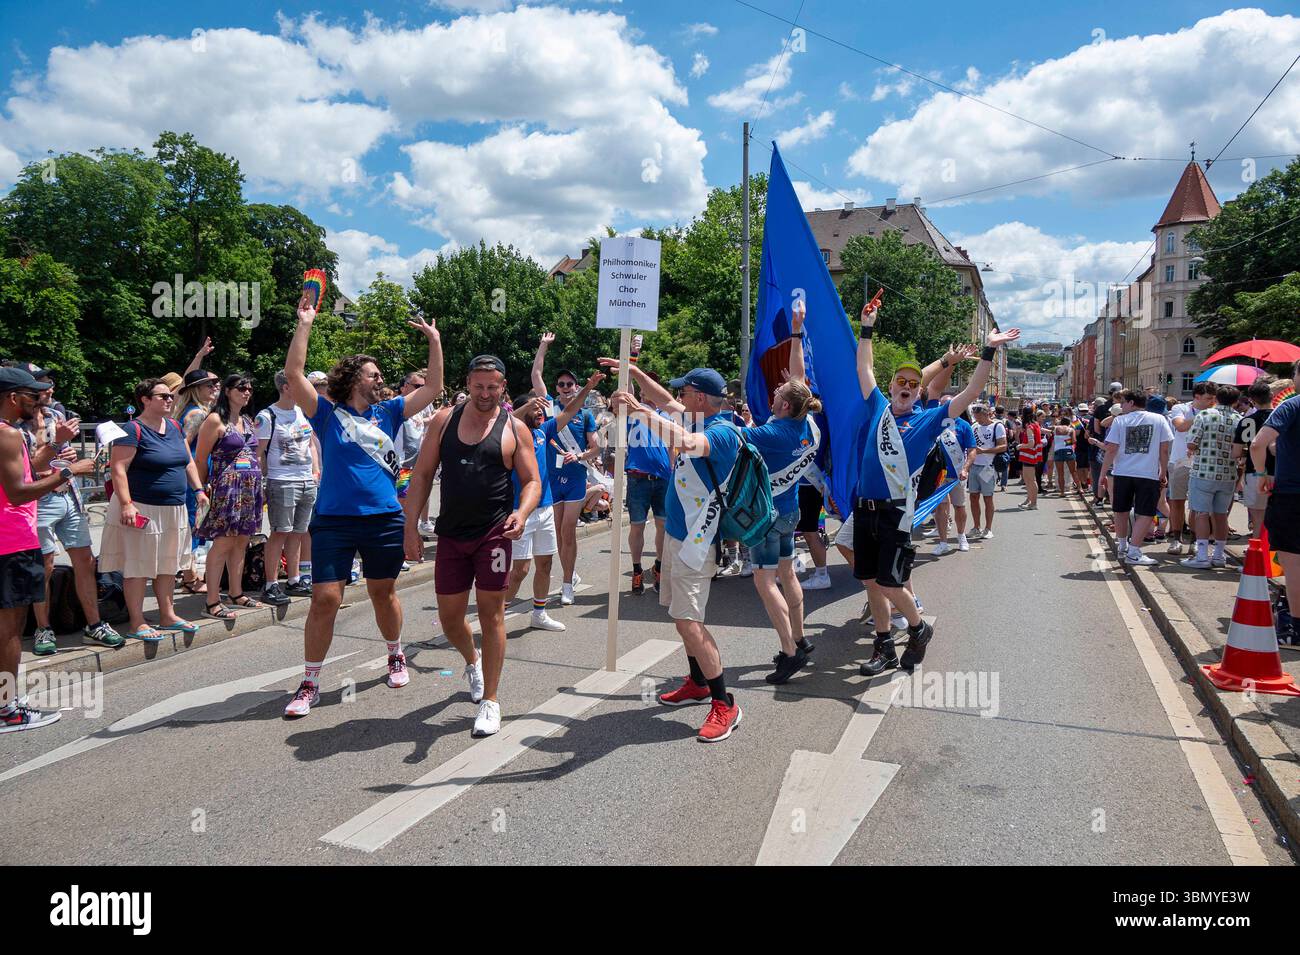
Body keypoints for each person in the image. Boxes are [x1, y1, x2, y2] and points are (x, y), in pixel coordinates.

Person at [281, 293, 444, 718]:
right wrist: (305, 323)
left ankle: (395, 653)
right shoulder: (325, 412)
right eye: (374, 375)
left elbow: (434, 388)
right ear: (356, 379)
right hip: (333, 521)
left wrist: (434, 340)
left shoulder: (389, 412)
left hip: (384, 520)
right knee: (324, 599)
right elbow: (293, 373)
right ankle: (310, 682)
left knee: (381, 591)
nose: (381, 380)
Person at [854, 295, 1019, 677]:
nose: (907, 386)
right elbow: (864, 365)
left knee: (891, 583)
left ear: (918, 391)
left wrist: (987, 352)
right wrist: (867, 327)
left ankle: (918, 628)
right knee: (870, 582)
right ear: (892, 386)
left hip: (894, 511)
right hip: (864, 508)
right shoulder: (877, 407)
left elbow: (971, 393)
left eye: (914, 383)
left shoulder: (928, 419)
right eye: (901, 381)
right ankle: (884, 648)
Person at [604, 365, 744, 742]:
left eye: (685, 392)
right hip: (679, 540)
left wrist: (638, 411)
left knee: (689, 623)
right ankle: (697, 682)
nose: (677, 397)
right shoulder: (698, 417)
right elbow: (665, 403)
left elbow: (685, 441)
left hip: (697, 544)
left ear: (699, 397)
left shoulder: (722, 432)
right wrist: (632, 370)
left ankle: (724, 703)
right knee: (680, 616)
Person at [404, 354, 539, 737]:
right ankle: (471, 660)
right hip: (451, 534)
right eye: (478, 386)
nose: (485, 393)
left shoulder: (515, 428)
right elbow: (424, 474)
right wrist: (410, 527)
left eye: (492, 386)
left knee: (491, 614)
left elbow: (532, 481)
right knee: (450, 619)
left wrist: (523, 512)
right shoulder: (444, 421)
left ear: (503, 386)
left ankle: (491, 701)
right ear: (468, 384)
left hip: (494, 534)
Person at [1, 367, 98, 732]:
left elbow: (29, 469)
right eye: (32, 394)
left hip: (11, 539)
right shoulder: (8, 434)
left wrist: (56, 445)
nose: (40, 399)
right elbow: (19, 492)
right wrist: (71, 472)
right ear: (13, 398)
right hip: (10, 540)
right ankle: (6, 708)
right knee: (10, 628)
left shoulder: (13, 435)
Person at [99, 379, 210, 640]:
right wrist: (126, 504)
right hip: (142, 507)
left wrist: (199, 490)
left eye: (170, 396)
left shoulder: (174, 426)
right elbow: (118, 469)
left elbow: (188, 462)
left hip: (173, 507)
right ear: (145, 400)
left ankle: (167, 615)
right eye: (162, 396)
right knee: (138, 566)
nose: (169, 400)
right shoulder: (132, 429)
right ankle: (137, 621)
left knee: (168, 564)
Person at [21, 374, 123, 652]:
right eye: (41, 387)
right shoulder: (15, 424)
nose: (49, 390)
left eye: (50, 385)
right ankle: (43, 629)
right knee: (45, 565)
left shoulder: (55, 414)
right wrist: (56, 446)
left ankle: (95, 624)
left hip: (69, 495)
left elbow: (61, 455)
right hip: (39, 499)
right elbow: (25, 469)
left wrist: (68, 457)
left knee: (86, 560)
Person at [504, 374, 603, 631]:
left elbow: (570, 410)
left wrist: (588, 387)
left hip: (545, 507)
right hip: (520, 510)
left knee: (544, 564)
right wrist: (530, 404)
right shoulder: (511, 433)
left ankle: (539, 613)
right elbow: (509, 418)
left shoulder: (544, 430)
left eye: (541, 411)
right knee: (520, 571)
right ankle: (497, 610)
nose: (541, 414)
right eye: (536, 411)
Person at [530, 333, 601, 606]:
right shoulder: (547, 406)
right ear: (556, 387)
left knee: (568, 529)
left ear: (576, 386)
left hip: (574, 477)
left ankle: (567, 582)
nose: (565, 387)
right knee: (558, 531)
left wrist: (579, 454)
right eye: (561, 384)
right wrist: (543, 346)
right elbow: (536, 372)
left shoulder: (585, 414)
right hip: (551, 478)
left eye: (570, 383)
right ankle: (570, 573)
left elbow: (596, 449)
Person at [194, 374, 266, 617]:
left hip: (249, 488)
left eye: (249, 388)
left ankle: (236, 593)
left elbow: (256, 456)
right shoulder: (215, 420)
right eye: (241, 388)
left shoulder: (246, 420)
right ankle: (212, 601)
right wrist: (202, 487)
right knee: (223, 542)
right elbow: (201, 458)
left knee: (242, 541)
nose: (246, 392)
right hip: (227, 489)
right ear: (227, 391)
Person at [255, 370, 320, 604]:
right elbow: (258, 452)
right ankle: (271, 584)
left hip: (306, 480)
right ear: (286, 387)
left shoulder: (302, 412)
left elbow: (311, 443)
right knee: (280, 531)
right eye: (298, 384)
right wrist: (260, 481)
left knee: (298, 532)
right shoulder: (267, 416)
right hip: (281, 480)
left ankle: (294, 580)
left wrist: (315, 471)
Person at [1100, 390, 1174, 566]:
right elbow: (1164, 449)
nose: (1122, 406)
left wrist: (1102, 475)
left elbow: (1111, 449)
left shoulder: (1120, 420)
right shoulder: (1159, 419)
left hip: (1123, 472)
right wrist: (1163, 471)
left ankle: (1123, 545)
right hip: (1147, 473)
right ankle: (1134, 551)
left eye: (1124, 402)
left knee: (1121, 510)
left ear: (1132, 403)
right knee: (1146, 512)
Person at [623, 343, 671, 595]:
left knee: (663, 526)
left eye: (651, 387)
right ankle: (637, 569)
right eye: (644, 387)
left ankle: (660, 567)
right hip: (638, 479)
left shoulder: (667, 415)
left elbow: (675, 447)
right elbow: (626, 386)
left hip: (663, 479)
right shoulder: (632, 413)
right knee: (637, 527)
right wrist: (632, 356)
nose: (646, 391)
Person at [1252, 360, 1300, 610]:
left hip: (1291, 494)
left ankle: (1295, 627)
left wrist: (1261, 474)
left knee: (1293, 566)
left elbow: (1258, 444)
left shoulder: (1291, 405)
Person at [1181, 385, 1241, 569]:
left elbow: (1191, 443)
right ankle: (1219, 555)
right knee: (1221, 515)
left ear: (1216, 399)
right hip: (1228, 473)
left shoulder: (1204, 415)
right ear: (1236, 401)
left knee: (1201, 514)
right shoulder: (1240, 419)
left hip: (1203, 472)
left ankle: (1201, 555)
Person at [176, 367, 221, 595]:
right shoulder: (197, 414)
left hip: (191, 477)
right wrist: (199, 481)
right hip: (191, 479)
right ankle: (190, 578)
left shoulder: (195, 410)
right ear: (195, 390)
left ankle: (189, 574)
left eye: (216, 384)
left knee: (193, 525)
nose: (215, 388)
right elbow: (184, 445)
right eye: (209, 385)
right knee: (193, 525)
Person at [1165, 383, 1213, 554]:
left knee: (1197, 505)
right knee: (1177, 502)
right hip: (1179, 461)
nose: (1211, 402)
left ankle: (1194, 540)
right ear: (1197, 396)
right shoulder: (1181, 408)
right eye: (1208, 398)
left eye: (1213, 399)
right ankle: (1176, 539)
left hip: (1203, 463)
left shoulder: (1213, 412)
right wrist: (1205, 417)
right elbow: (1180, 426)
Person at [395, 369, 437, 538]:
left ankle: (410, 537)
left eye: (424, 386)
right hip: (402, 466)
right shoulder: (397, 406)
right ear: (405, 387)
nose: (422, 389)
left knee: (416, 503)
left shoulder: (418, 409)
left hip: (417, 465)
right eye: (418, 386)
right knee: (403, 504)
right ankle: (401, 546)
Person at [1232, 380, 1275, 537]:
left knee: (1257, 516)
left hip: (1255, 472)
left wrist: (1247, 451)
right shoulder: (1281, 415)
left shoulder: (1247, 421)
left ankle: (1257, 546)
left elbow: (1236, 452)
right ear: (1271, 395)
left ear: (1252, 400)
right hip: (1280, 470)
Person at [932, 411, 977, 555]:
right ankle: (943, 542)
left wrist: (965, 469)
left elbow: (972, 450)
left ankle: (961, 536)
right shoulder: (935, 423)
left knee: (959, 506)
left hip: (957, 473)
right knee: (941, 508)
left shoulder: (963, 426)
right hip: (938, 474)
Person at [967, 403, 1006, 540]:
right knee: (973, 497)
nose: (977, 419)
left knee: (987, 497)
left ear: (986, 414)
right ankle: (976, 527)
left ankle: (988, 528)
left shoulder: (997, 426)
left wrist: (985, 451)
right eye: (975, 416)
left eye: (979, 416)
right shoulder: (974, 427)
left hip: (988, 467)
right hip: (974, 466)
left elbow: (1003, 446)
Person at [1016, 403, 1041, 510]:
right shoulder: (1035, 424)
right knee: (1028, 479)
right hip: (1030, 455)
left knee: (1031, 479)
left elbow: (1031, 443)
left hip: (1029, 455)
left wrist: (1020, 446)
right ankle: (1030, 499)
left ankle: (1033, 503)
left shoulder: (1030, 427)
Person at [1050, 415, 1078, 494]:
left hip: (1058, 452)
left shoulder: (1055, 428)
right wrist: (1066, 442)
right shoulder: (1071, 429)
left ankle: (1062, 492)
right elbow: (1074, 441)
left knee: (1060, 473)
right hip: (1068, 451)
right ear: (1069, 423)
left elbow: (1047, 429)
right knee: (1073, 471)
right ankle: (1080, 489)